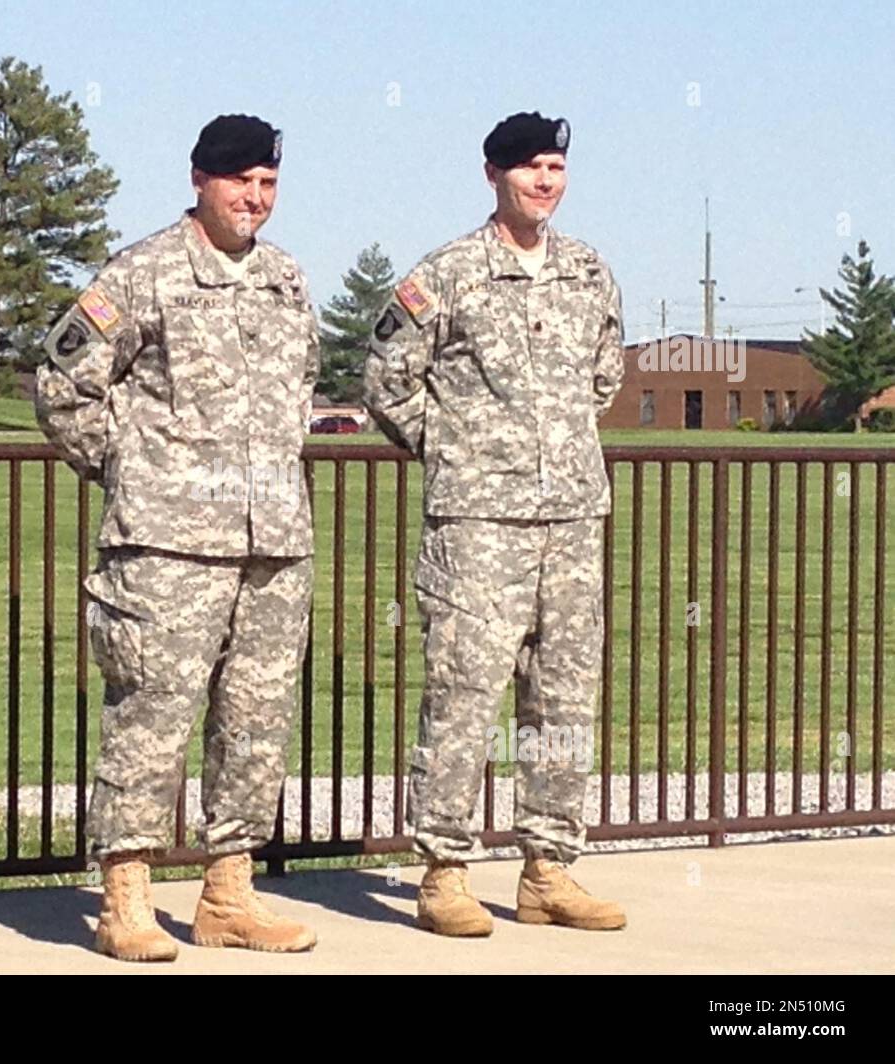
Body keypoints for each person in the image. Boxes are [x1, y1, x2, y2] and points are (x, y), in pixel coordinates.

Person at [36, 114, 319, 962]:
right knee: (151, 719)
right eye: (239, 182)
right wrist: (134, 472)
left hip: (272, 546)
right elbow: (61, 381)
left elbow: (300, 388)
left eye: (267, 183)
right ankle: (126, 895)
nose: (254, 198)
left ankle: (229, 893)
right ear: (199, 179)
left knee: (256, 720)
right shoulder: (144, 272)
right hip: (164, 547)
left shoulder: (285, 279)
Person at [363, 111, 627, 937]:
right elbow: (385, 379)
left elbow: (604, 375)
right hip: (478, 524)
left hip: (572, 522)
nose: (544, 181)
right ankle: (443, 871)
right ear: (493, 177)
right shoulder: (446, 275)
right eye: (528, 169)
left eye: (555, 167)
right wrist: (455, 447)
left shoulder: (589, 273)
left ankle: (548, 868)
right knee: (464, 697)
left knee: (563, 702)